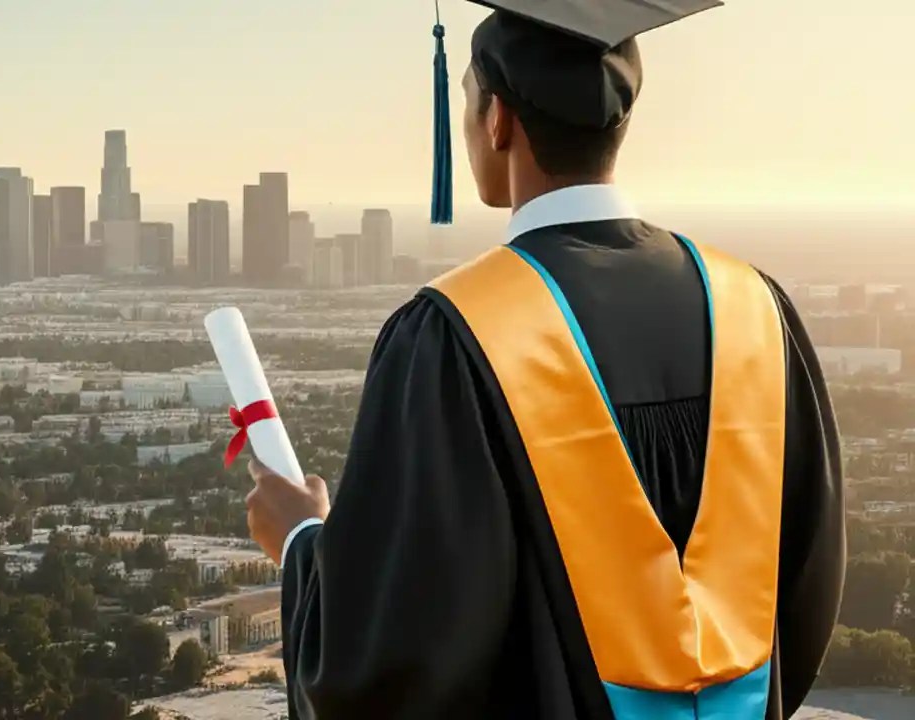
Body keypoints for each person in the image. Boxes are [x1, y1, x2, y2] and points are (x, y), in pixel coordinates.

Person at [242, 2, 845, 719]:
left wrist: (304, 542)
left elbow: (384, 666)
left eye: (469, 102)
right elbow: (805, 591)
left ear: (498, 120)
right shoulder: (755, 308)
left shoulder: (453, 337)